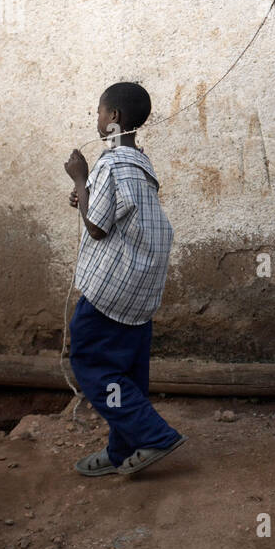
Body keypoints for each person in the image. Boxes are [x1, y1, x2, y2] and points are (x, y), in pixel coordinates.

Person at [62, 81, 186, 476]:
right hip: (140, 289)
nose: (96, 118)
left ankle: (155, 435)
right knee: (127, 372)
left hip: (110, 292)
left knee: (90, 365)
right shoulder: (139, 162)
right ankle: (122, 450)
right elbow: (112, 211)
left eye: (99, 111)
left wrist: (80, 178)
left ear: (113, 117)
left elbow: (97, 227)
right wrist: (86, 194)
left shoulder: (110, 163)